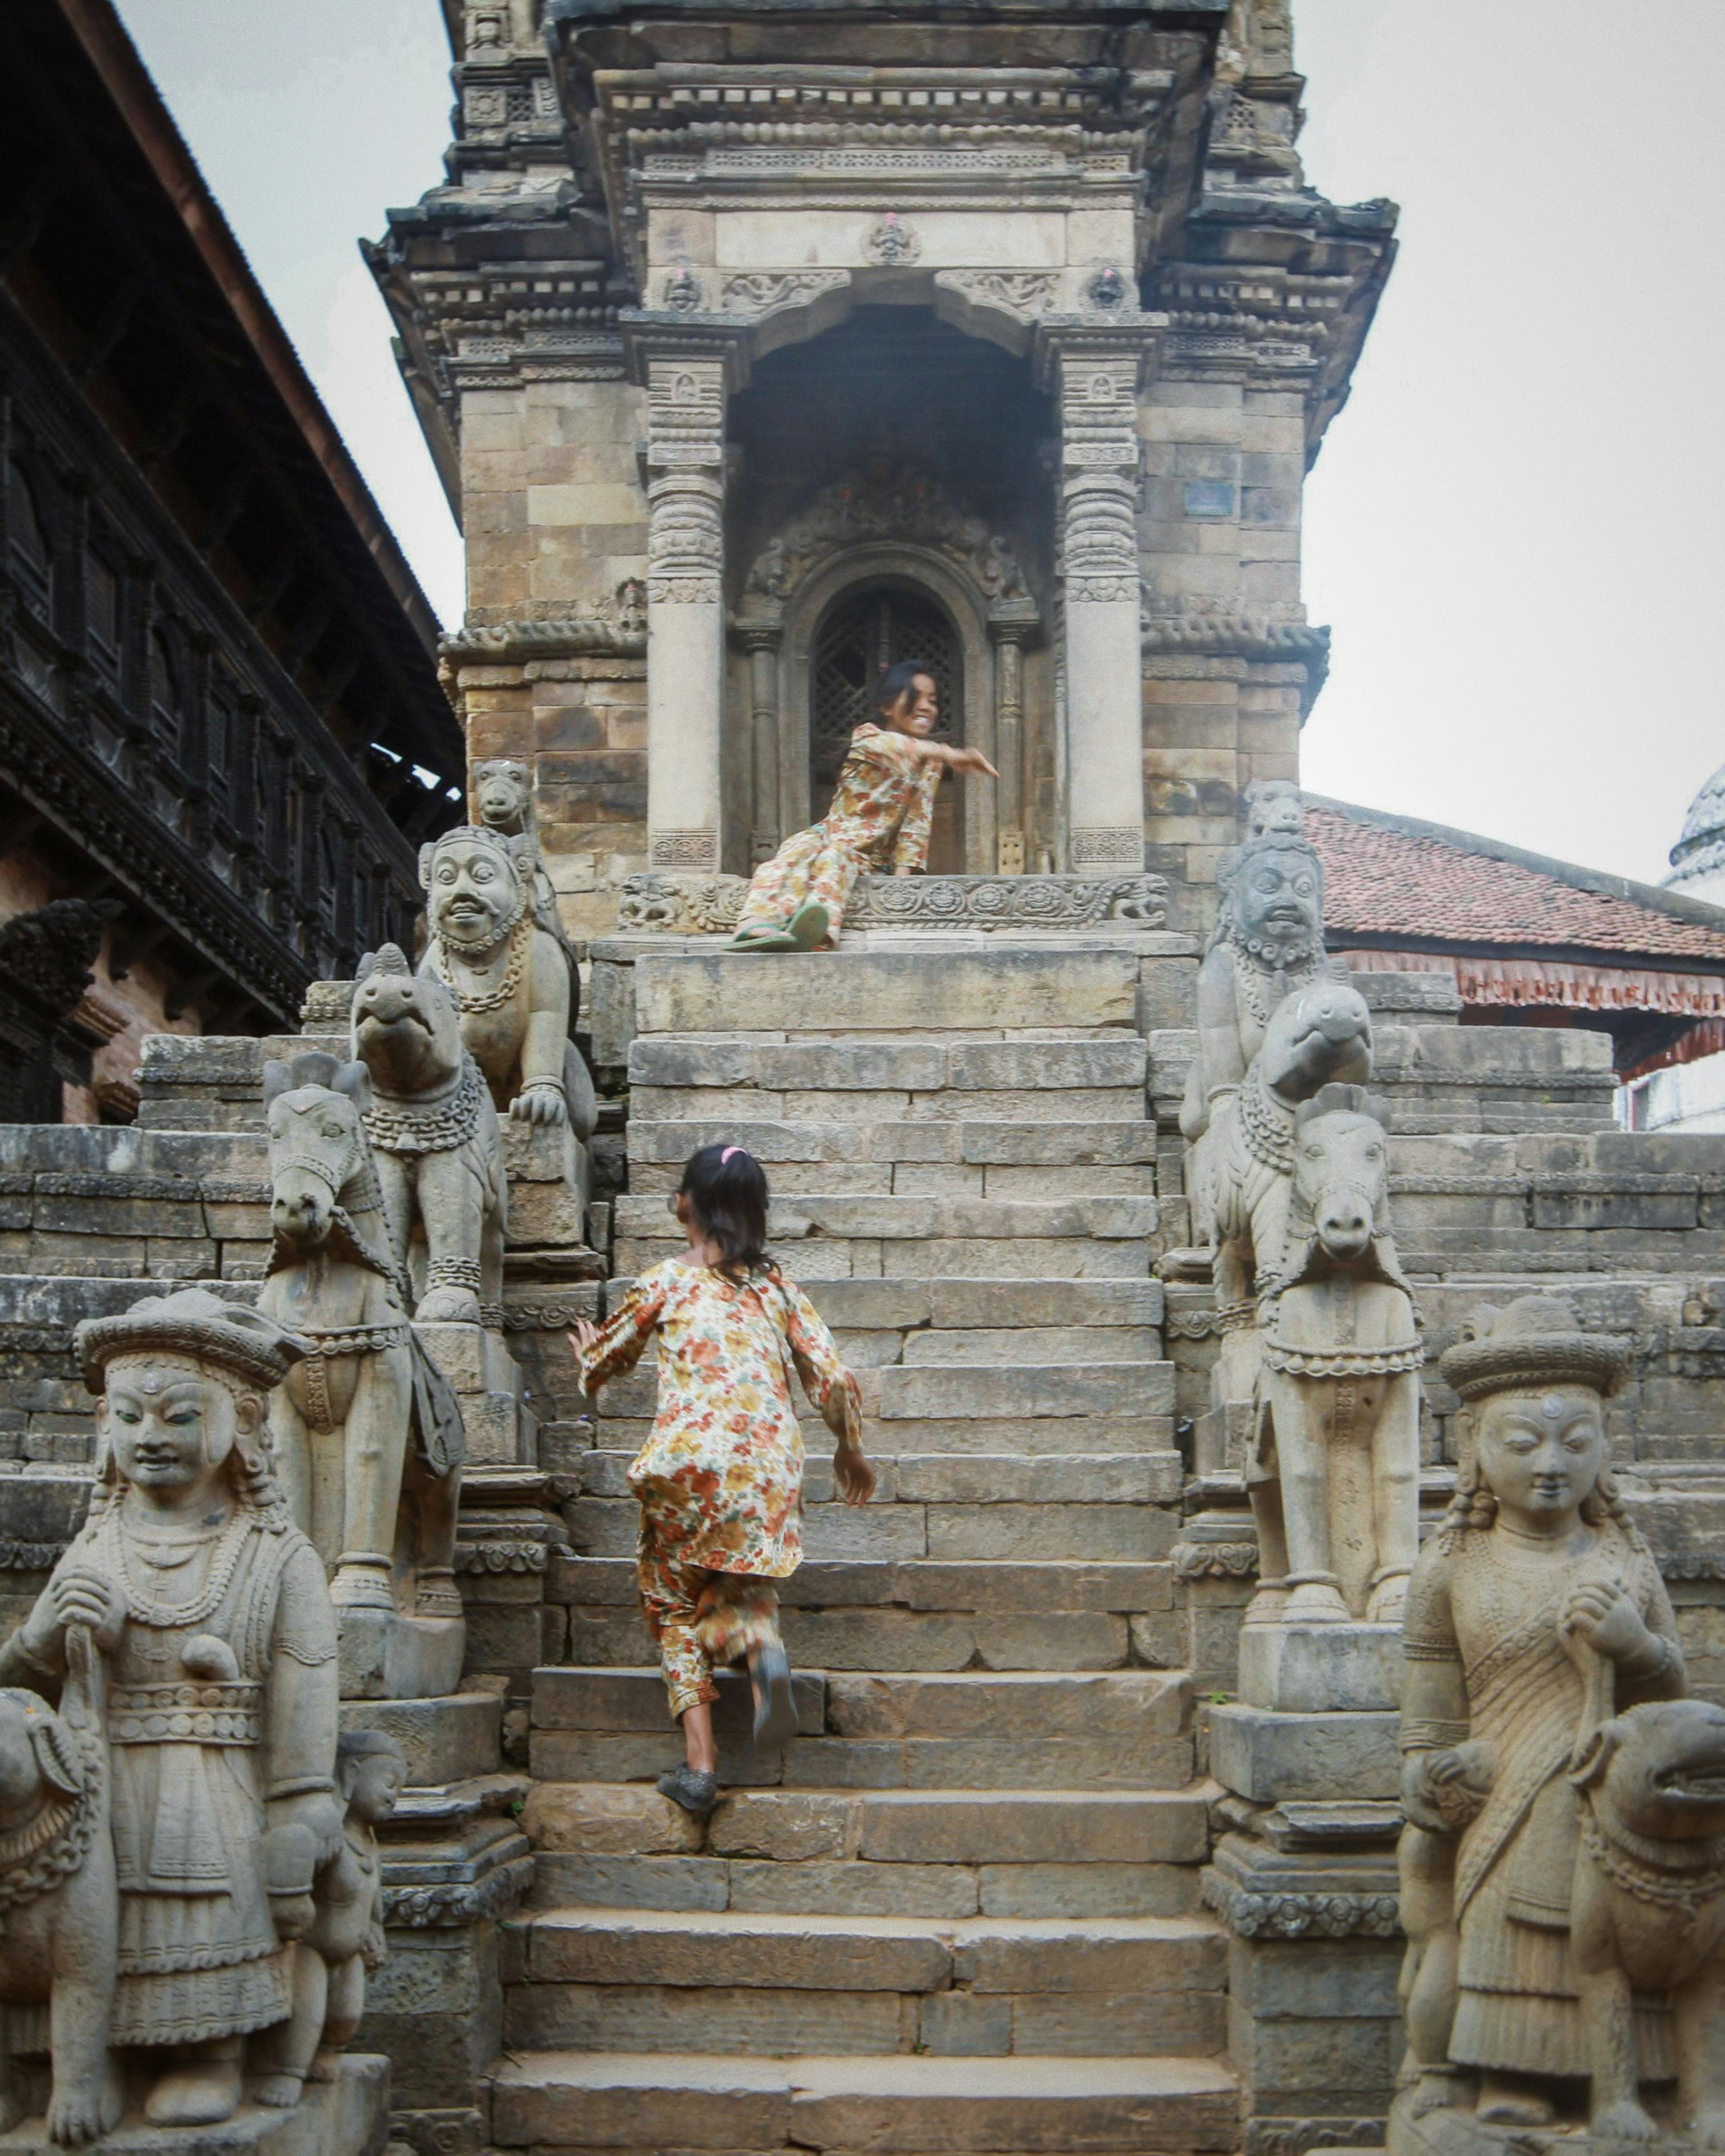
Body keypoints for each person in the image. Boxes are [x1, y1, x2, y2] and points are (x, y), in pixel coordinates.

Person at [0, 1289, 342, 2130]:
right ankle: (92, 2059)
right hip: (97, 1784)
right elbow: (21, 1691)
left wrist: (299, 1815)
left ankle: (210, 2048)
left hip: (215, 1787)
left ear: (242, 1422)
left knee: (199, 1910)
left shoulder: (278, 1558)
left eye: (178, 1415)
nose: (150, 1435)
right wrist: (41, 1638)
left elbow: (306, 1699)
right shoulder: (93, 1545)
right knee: (89, 1927)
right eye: (129, 1415)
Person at [1397, 1297, 1685, 2130]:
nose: (1551, 1464)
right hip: (1501, 1798)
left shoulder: (1626, 1558)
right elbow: (1430, 1710)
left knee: (1611, 1938)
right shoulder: (1451, 1567)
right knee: (1504, 1928)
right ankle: (1506, 2071)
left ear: (1606, 1450)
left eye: (1577, 1441)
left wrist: (1635, 1648)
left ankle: (1624, 2082)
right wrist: (1430, 1771)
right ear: (1475, 1453)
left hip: (1608, 1798)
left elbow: (1673, 1698)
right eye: (1522, 1444)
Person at [569, 1144, 873, 1813]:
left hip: (689, 1468)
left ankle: (701, 1768)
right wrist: (849, 1449)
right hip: (766, 1471)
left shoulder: (663, 1283)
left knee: (673, 1601)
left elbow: (609, 1360)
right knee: (739, 1581)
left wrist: (589, 1361)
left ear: (687, 1206)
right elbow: (832, 1374)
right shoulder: (778, 1288)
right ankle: (757, 1645)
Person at [727, 661, 998, 951]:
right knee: (796, 847)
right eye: (914, 696)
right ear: (886, 707)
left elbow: (916, 824)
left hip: (872, 858)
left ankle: (817, 933)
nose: (926, 707)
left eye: (932, 701)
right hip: (828, 835)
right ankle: (754, 923)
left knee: (835, 858)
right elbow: (894, 747)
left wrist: (901, 883)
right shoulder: (867, 737)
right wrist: (948, 752)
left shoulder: (931, 764)